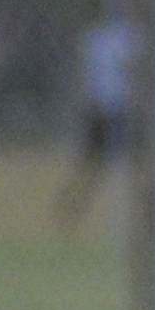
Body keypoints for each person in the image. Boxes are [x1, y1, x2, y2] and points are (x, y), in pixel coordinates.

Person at [57, 16, 136, 232]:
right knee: (96, 167)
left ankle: (71, 210)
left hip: (108, 110)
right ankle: (70, 211)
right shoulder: (123, 39)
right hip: (109, 111)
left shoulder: (96, 38)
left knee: (99, 167)